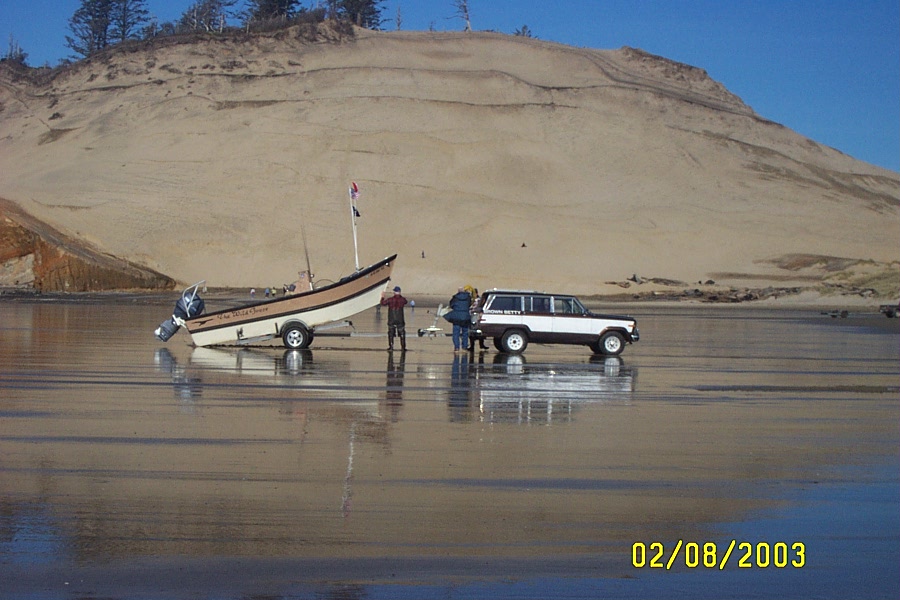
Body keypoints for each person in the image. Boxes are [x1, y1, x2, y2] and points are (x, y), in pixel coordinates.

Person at [444, 287, 473, 351]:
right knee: (465, 333)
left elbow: (451, 305)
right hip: (465, 317)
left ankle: (456, 347)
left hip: (456, 317)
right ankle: (464, 347)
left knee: (456, 333)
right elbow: (470, 304)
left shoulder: (455, 297)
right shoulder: (468, 297)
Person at [380, 286, 408, 351]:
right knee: (402, 333)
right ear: (400, 292)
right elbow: (405, 301)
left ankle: (391, 347)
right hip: (400, 319)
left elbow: (382, 303)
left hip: (391, 319)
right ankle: (403, 348)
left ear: (394, 292)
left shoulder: (390, 299)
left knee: (391, 333)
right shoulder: (402, 299)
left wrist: (382, 297)